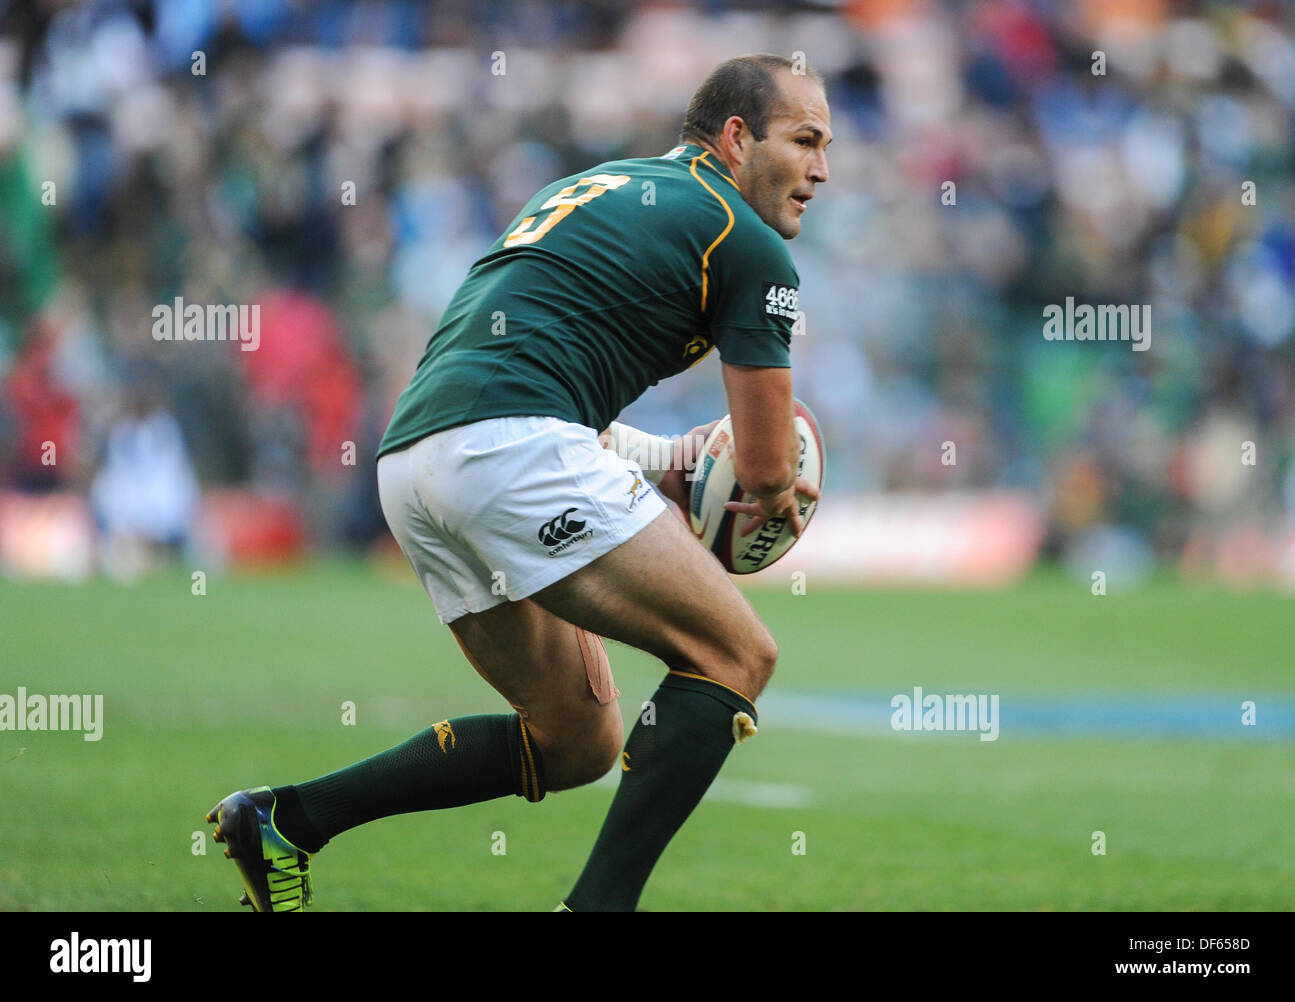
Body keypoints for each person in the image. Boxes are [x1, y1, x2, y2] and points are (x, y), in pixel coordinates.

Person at [207, 52, 830, 912]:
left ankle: (289, 821)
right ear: (736, 137)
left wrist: (666, 461)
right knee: (735, 654)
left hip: (415, 457)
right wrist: (767, 497)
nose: (822, 169)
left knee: (574, 741)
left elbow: (521, 360)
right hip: (510, 453)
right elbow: (765, 473)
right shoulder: (749, 243)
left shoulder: (606, 184)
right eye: (804, 141)